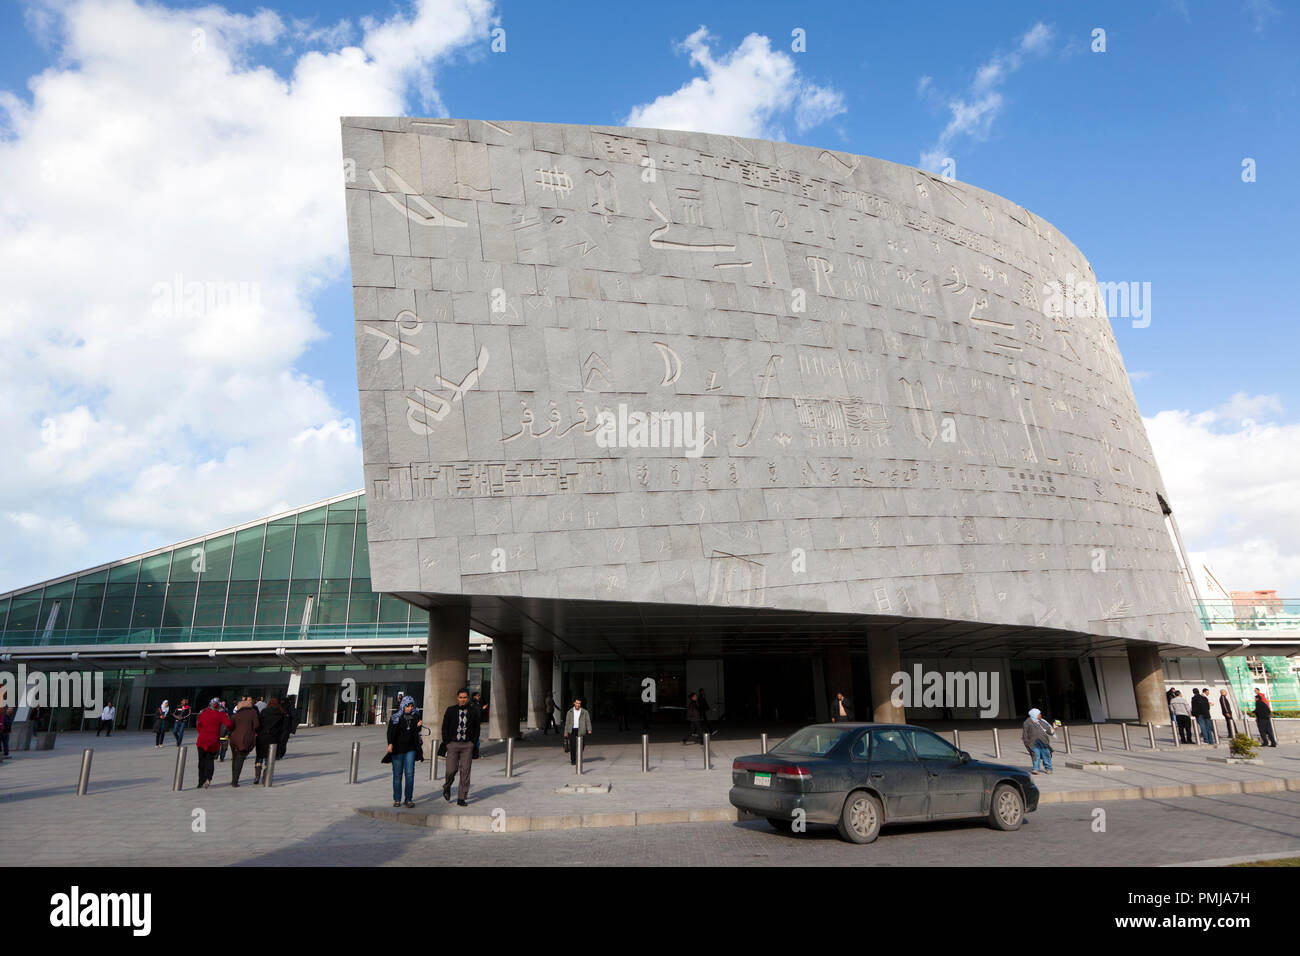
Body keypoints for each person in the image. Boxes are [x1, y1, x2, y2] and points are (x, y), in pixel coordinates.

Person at [441, 688, 480, 806]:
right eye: (460, 697)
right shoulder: (451, 710)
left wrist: (473, 743)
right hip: (453, 744)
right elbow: (444, 727)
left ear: (468, 698)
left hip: (467, 745)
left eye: (465, 698)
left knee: (465, 771)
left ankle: (461, 797)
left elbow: (477, 728)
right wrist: (447, 742)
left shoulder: (473, 711)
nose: (462, 700)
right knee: (451, 770)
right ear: (457, 698)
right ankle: (447, 786)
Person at [387, 695, 423, 808]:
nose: (410, 708)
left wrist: (418, 726)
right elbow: (390, 732)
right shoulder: (395, 717)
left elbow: (416, 732)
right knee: (397, 775)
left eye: (412, 706)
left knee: (410, 774)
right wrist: (390, 744)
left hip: (410, 749)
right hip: (397, 749)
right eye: (408, 706)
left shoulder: (415, 716)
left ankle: (408, 799)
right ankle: (397, 799)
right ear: (403, 705)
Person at [194, 698, 233, 789]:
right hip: (213, 740)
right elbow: (229, 724)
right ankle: (208, 778)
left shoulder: (203, 712)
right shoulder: (221, 714)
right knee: (210, 760)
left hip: (202, 739)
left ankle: (200, 781)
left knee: (201, 760)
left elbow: (198, 726)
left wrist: (202, 732)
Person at [229, 696, 260, 787]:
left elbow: (230, 725)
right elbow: (256, 725)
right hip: (246, 739)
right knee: (240, 759)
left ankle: (233, 779)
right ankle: (235, 781)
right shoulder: (253, 713)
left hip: (234, 739)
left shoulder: (236, 714)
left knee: (235, 759)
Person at [254, 697, 284, 784]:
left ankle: (257, 776)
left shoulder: (264, 712)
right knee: (268, 758)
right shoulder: (280, 713)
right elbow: (281, 728)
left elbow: (259, 724)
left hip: (262, 737)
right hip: (273, 738)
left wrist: (258, 733)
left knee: (259, 756)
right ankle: (265, 777)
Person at [1021, 707, 1055, 774]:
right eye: (1039, 714)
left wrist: (1054, 727)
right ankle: (1036, 769)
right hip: (1033, 743)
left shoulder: (1042, 722)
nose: (1040, 715)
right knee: (1035, 755)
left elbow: (1049, 731)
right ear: (1035, 714)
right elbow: (1025, 734)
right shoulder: (1027, 722)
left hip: (1043, 742)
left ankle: (1048, 768)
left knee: (1046, 754)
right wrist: (1026, 743)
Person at [563, 697, 592, 765]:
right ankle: (573, 760)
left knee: (582, 746)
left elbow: (588, 721)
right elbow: (567, 723)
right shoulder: (569, 712)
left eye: (579, 703)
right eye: (577, 703)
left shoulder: (584, 712)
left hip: (581, 730)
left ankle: (578, 757)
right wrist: (565, 732)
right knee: (573, 746)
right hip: (572, 730)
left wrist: (589, 729)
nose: (578, 705)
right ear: (574, 703)